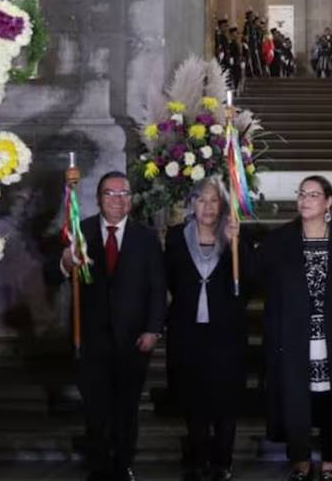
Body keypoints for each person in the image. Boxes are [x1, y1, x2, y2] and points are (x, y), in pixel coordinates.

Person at [51, 172, 165, 481]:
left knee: (126, 410)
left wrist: (153, 330)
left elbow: (157, 287)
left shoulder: (146, 237)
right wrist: (65, 262)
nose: (117, 199)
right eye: (110, 194)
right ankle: (99, 466)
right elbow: (53, 276)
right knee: (96, 410)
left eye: (123, 193)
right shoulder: (80, 231)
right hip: (92, 340)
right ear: (99, 198)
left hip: (134, 340)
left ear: (131, 199)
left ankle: (123, 462)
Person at [262, 176, 332, 481]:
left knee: (330, 399)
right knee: (297, 398)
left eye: (313, 195)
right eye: (302, 194)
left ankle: (329, 460)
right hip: (293, 333)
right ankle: (299, 460)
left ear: (328, 202)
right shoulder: (280, 239)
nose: (305, 200)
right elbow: (260, 281)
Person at [164, 178, 248, 481]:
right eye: (201, 200)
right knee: (193, 398)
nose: (208, 207)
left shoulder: (238, 237)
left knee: (225, 401)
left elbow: (248, 285)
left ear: (223, 205)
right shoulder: (175, 237)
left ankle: (222, 462)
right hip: (188, 331)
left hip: (225, 334)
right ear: (192, 204)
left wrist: (235, 245)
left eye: (214, 201)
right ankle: (199, 460)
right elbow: (170, 280)